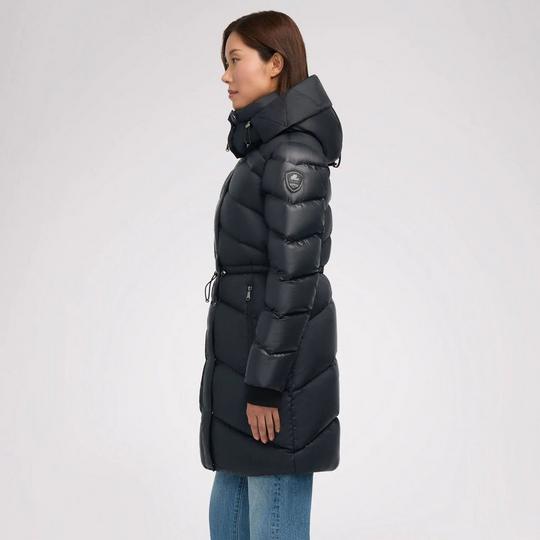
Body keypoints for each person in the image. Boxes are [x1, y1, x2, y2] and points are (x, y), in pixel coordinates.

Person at [198, 10, 343, 539]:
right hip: (245, 377)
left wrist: (264, 386)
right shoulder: (265, 153)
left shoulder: (293, 155)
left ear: (275, 63)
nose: (225, 75)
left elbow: (295, 278)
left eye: (235, 59)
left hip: (274, 389)